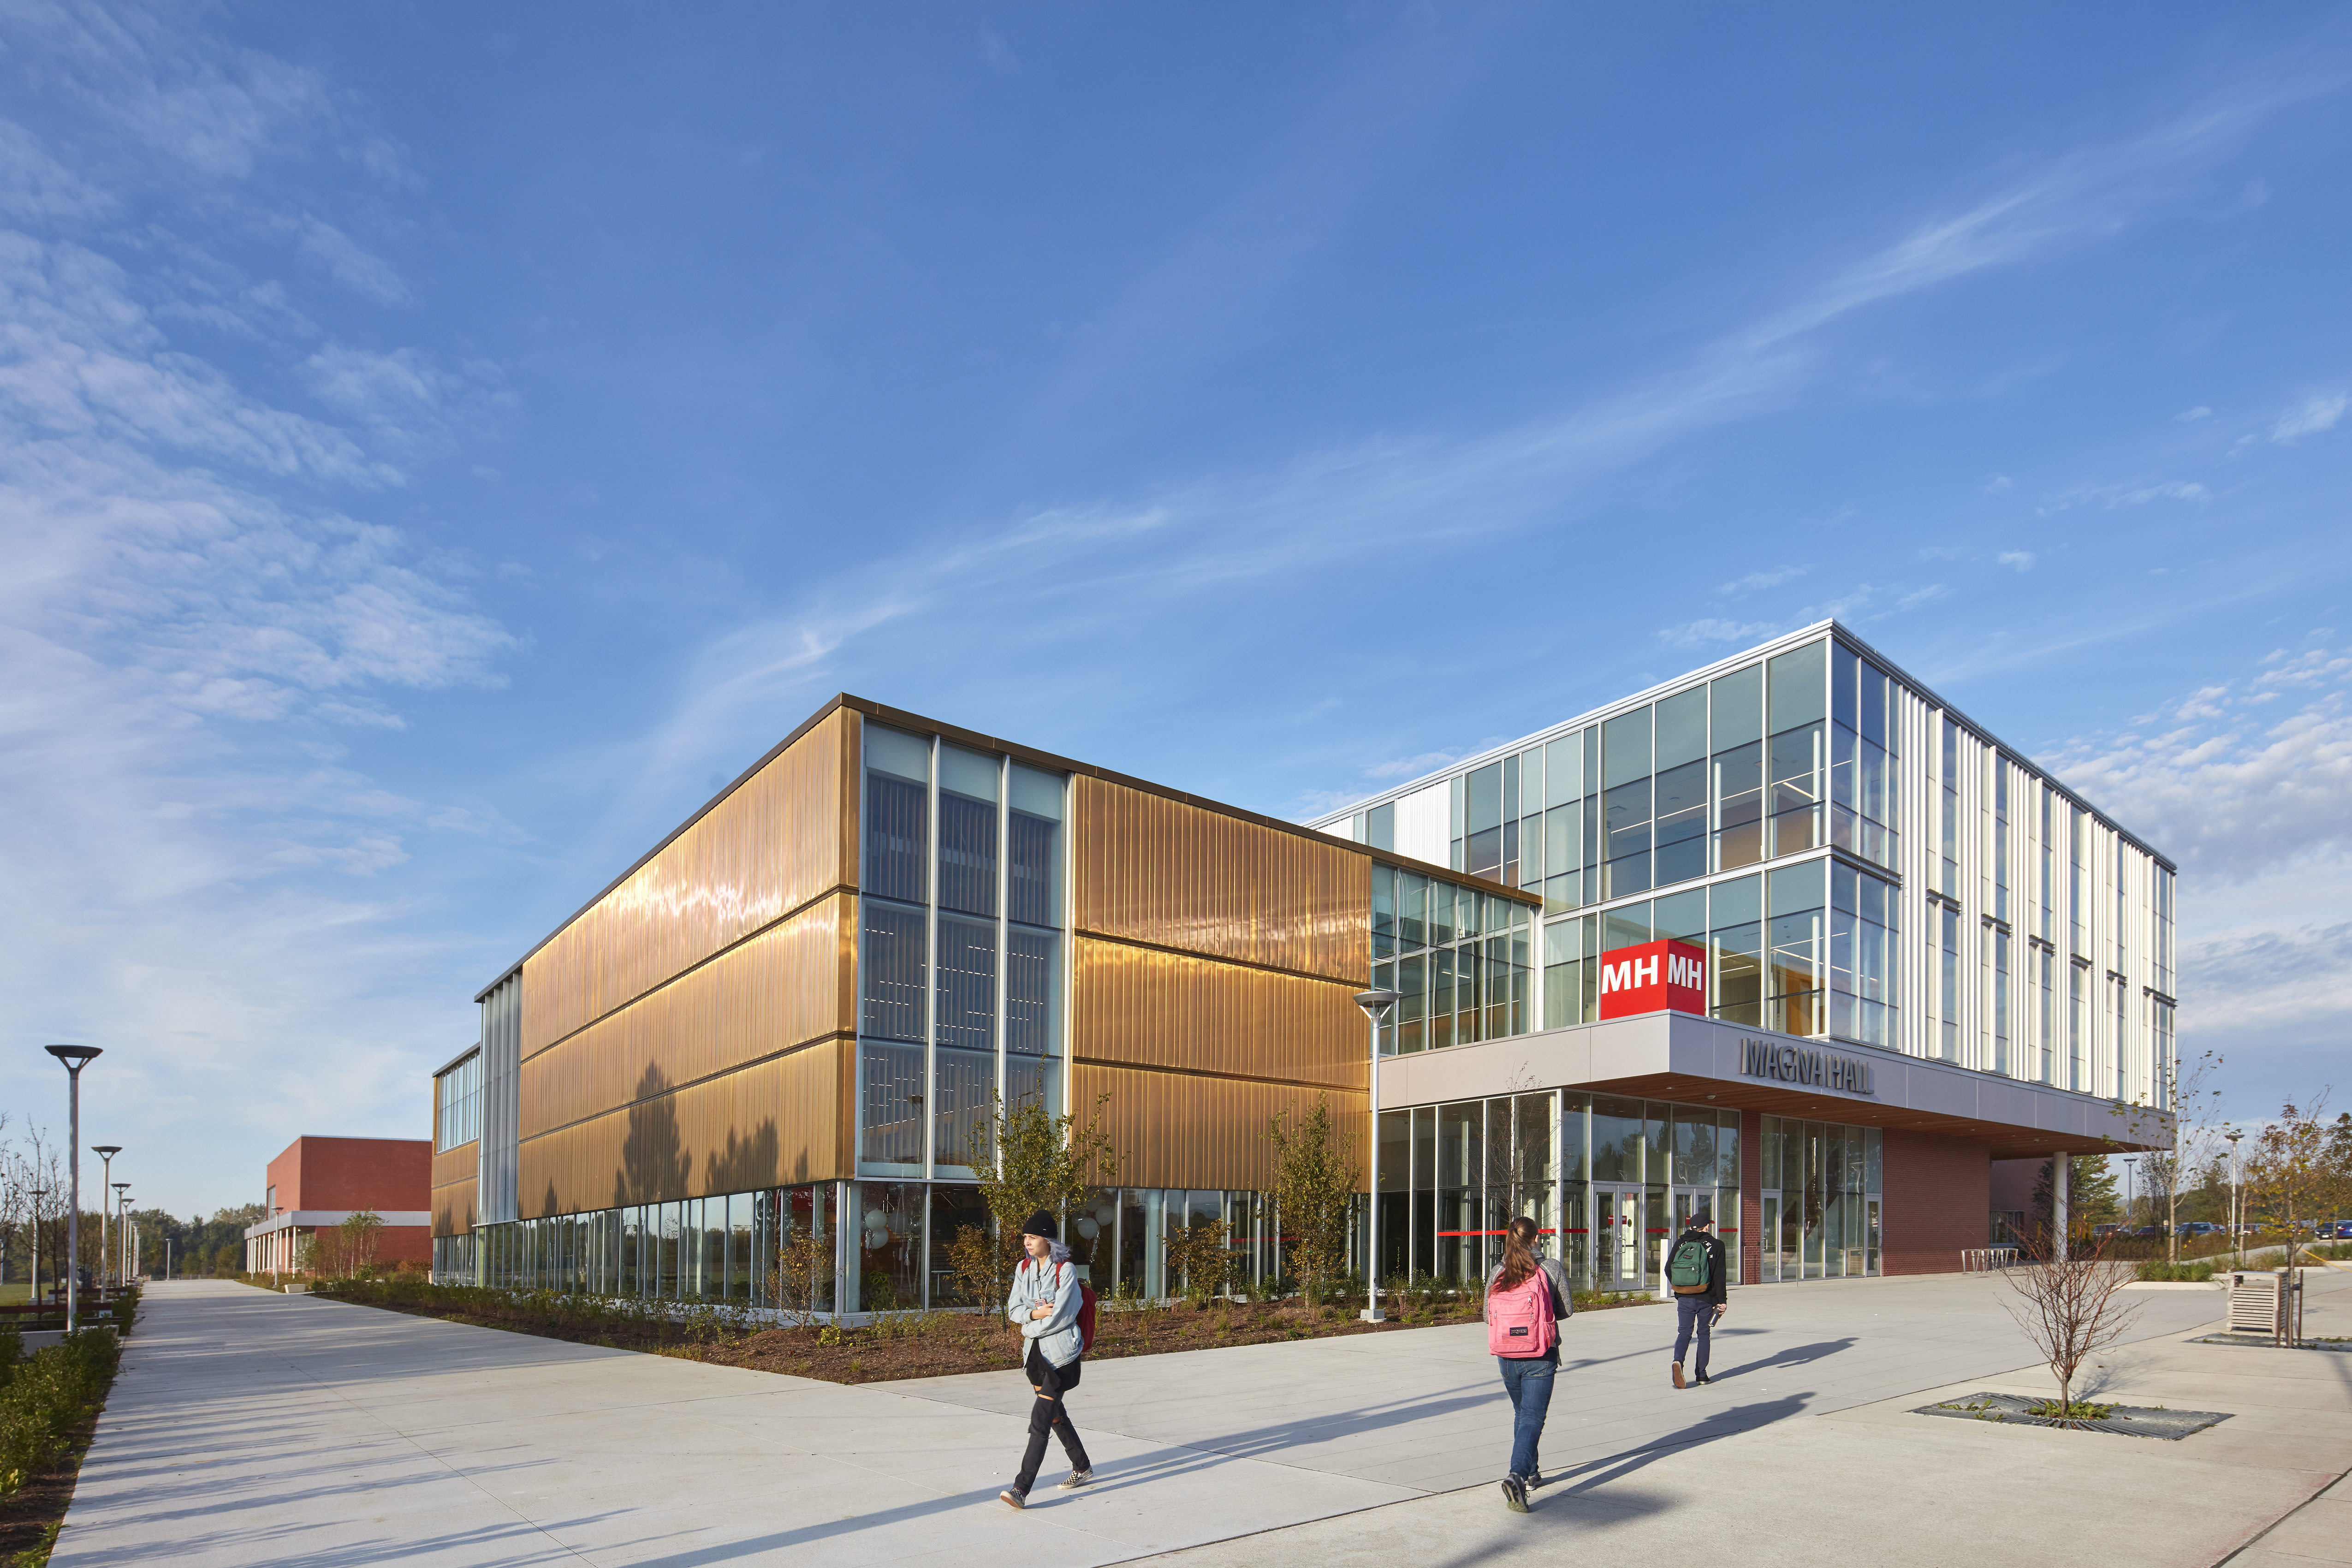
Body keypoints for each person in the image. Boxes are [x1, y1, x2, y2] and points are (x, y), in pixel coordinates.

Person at [999, 1210, 1093, 1509]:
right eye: (1025, 1237)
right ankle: (1082, 1465)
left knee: (1040, 1419)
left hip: (1062, 1357)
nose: (1027, 1242)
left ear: (1047, 1240)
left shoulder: (1064, 1270)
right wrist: (1034, 1315)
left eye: (1033, 1237)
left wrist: (1028, 1326)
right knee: (1053, 1415)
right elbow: (1013, 1308)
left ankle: (1021, 1488)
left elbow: (1063, 1316)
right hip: (1036, 1357)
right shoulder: (1023, 1268)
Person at [1485, 1216, 1574, 1513]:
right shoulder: (1549, 1268)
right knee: (1533, 1417)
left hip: (1507, 1357)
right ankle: (1517, 1476)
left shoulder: (1499, 1271)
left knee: (1522, 1413)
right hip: (1540, 1355)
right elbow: (1566, 1311)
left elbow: (1488, 1317)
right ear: (1536, 1239)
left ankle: (1532, 1471)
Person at [1665, 1210, 1728, 1388]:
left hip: (1684, 1298)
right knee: (1703, 1335)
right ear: (1707, 1226)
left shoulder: (1680, 1243)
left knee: (1684, 1333)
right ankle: (1702, 1375)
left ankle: (1678, 1361)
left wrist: (1680, 1289)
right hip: (1706, 1298)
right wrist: (1722, 1300)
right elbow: (1719, 1276)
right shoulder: (1717, 1245)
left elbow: (1668, 1269)